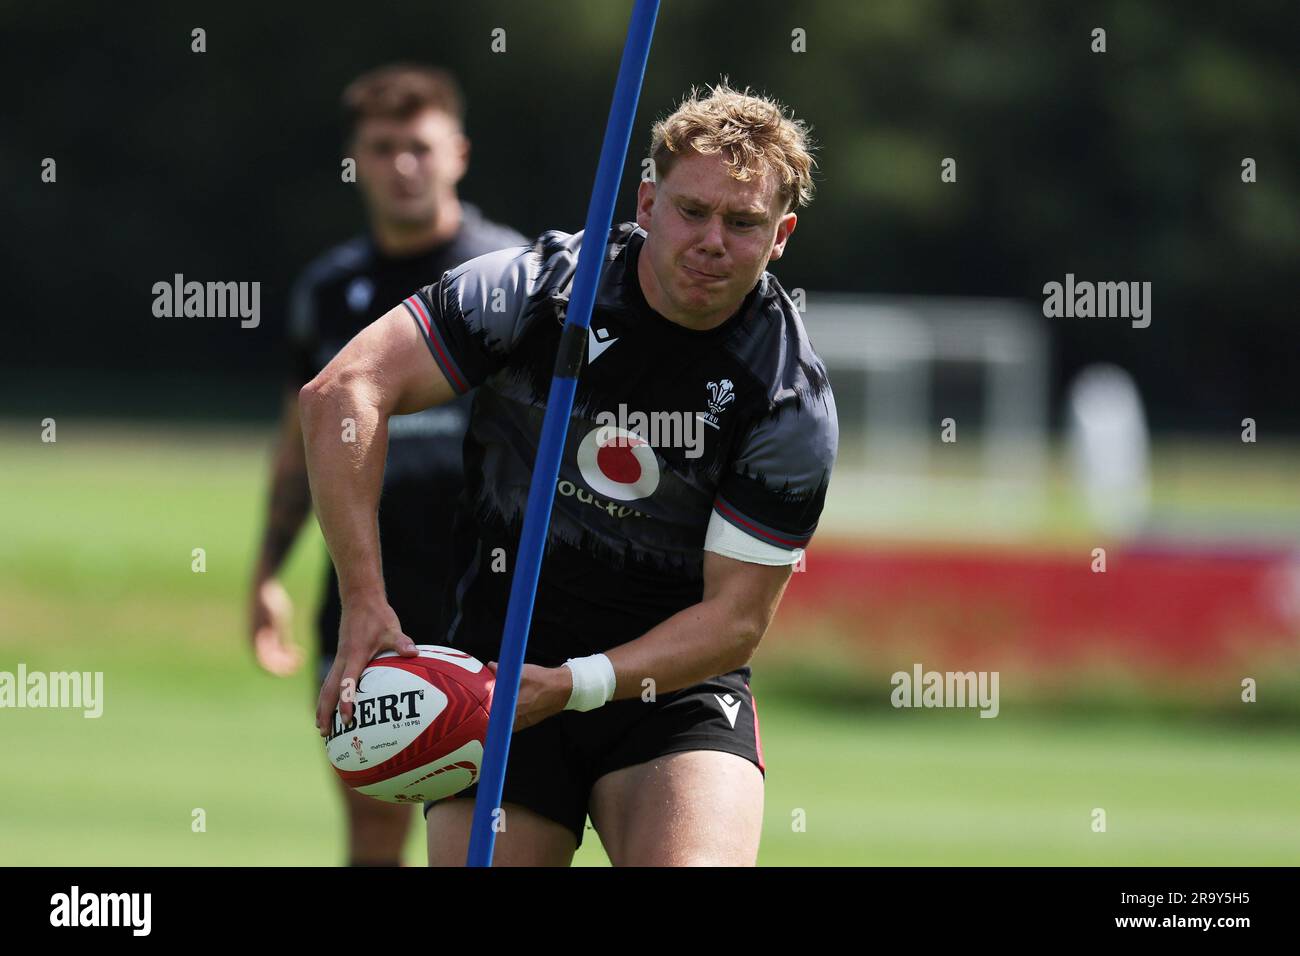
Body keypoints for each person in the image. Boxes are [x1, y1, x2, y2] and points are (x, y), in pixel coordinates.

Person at [302, 83, 838, 866]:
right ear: (648, 201)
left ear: (781, 234)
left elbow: (735, 622)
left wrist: (579, 683)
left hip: (671, 692)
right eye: (692, 211)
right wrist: (363, 599)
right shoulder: (546, 289)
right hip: (497, 673)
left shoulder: (788, 397)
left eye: (744, 222)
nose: (713, 240)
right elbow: (344, 391)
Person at [247, 63, 527, 866]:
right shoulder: (329, 289)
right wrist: (266, 571)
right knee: (374, 824)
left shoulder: (509, 276)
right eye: (382, 148)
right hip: (364, 592)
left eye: (419, 146)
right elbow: (296, 447)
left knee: (488, 833)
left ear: (458, 154)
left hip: (488, 591)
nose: (403, 165)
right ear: (357, 160)